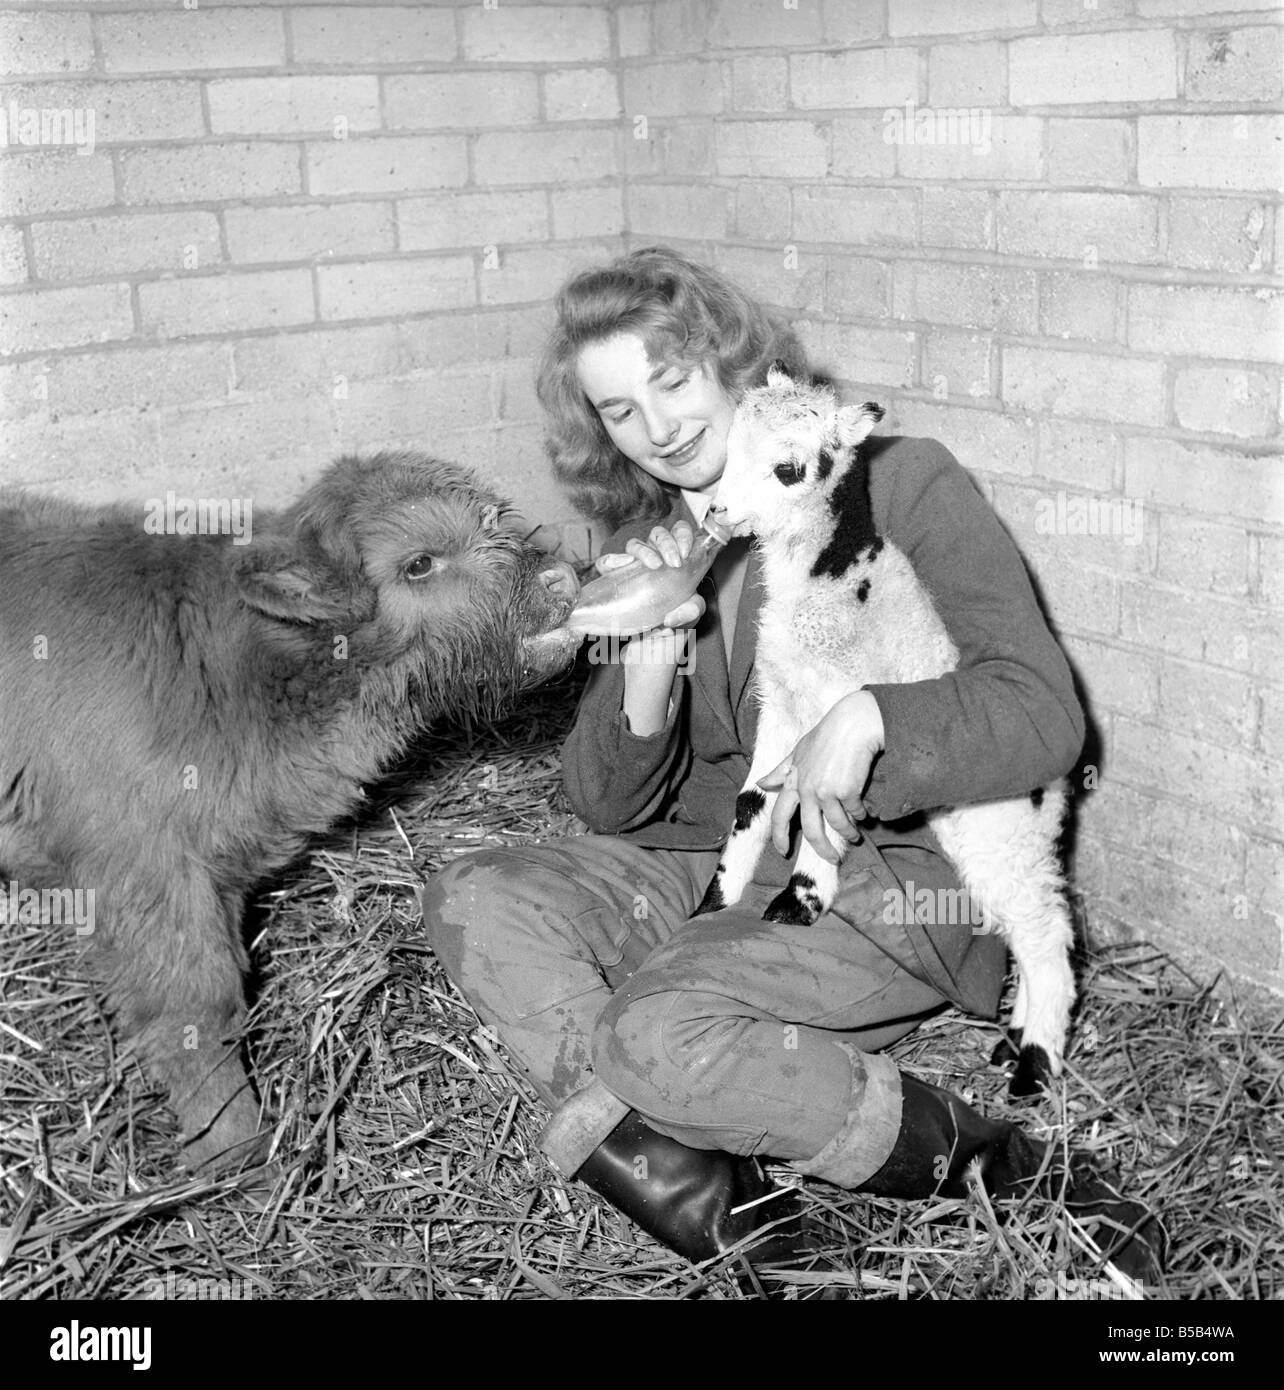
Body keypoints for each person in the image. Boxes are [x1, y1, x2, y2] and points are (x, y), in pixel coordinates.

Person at [419, 245, 1161, 1285]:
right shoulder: (665, 537)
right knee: (473, 892)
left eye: (672, 380)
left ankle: (1012, 1170)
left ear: (729, 360)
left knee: (650, 1034)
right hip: (720, 867)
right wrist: (648, 673)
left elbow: (1043, 716)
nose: (660, 427)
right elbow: (605, 804)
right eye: (622, 410)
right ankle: (745, 1212)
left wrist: (872, 717)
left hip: (888, 876)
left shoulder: (897, 481)